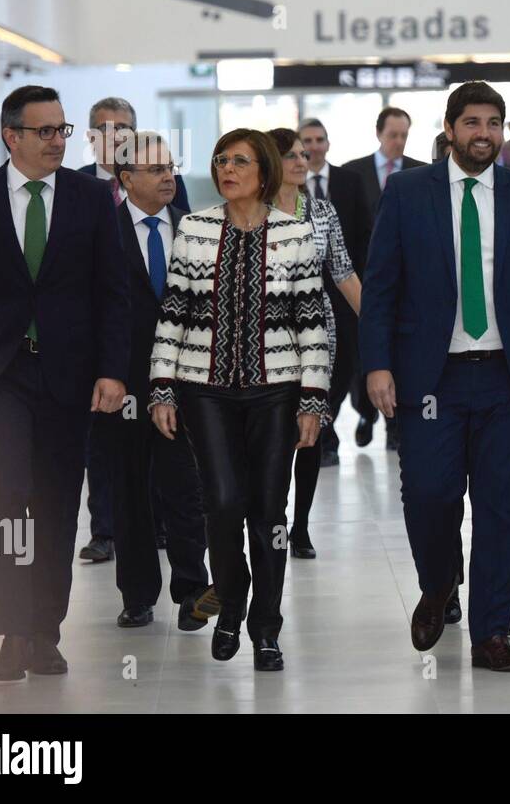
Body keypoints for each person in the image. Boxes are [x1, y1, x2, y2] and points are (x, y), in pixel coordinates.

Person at [359, 81, 510, 672]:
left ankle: (493, 631)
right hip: (431, 379)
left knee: (501, 506)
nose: (484, 134)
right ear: (450, 128)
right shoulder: (407, 192)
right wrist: (377, 364)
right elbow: (380, 287)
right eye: (472, 122)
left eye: (494, 123)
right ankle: (437, 584)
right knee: (429, 494)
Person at [0, 85, 130, 681]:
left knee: (54, 502)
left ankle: (45, 630)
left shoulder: (92, 198)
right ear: (10, 135)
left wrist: (114, 370)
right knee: (2, 497)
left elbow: (113, 291)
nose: (57, 142)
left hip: (68, 373)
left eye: (63, 130)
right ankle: (11, 632)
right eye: (45, 131)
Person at [148, 129, 330, 671]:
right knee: (224, 503)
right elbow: (173, 313)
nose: (228, 169)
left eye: (240, 161)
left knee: (269, 512)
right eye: (221, 160)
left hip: (277, 391)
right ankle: (231, 600)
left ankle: (266, 627)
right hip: (204, 392)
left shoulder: (296, 233)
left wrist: (313, 400)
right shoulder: (194, 229)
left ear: (264, 170)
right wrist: (161, 386)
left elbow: (311, 323)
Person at [105, 131, 217, 630]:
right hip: (123, 383)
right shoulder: (102, 231)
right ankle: (137, 594)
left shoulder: (194, 229)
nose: (168, 176)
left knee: (187, 487)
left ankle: (193, 590)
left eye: (170, 167)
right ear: (126, 178)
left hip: (185, 379)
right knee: (129, 489)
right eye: (155, 170)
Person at [78, 97, 191, 564]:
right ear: (92, 136)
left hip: (177, 361)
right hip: (118, 358)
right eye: (106, 128)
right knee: (112, 458)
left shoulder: (175, 203)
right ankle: (107, 531)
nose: (116, 134)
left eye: (124, 126)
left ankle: (178, 554)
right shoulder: (81, 188)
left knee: (178, 466)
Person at [268, 127, 362, 559]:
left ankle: (300, 527)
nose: (301, 161)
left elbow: (342, 272)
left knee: (311, 429)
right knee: (269, 435)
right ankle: (272, 521)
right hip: (264, 336)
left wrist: (375, 325)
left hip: (316, 334)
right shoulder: (251, 211)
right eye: (290, 155)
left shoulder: (322, 212)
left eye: (303, 154)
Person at [340, 109, 423, 451]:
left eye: (404, 135)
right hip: (363, 277)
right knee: (365, 352)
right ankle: (365, 412)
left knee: (400, 351)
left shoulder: (421, 172)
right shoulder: (352, 174)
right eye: (393, 135)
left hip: (410, 279)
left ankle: (394, 425)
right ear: (378, 134)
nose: (399, 142)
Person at [293, 118, 371, 467]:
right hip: (295, 306)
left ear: (328, 143)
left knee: (342, 367)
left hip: (341, 295)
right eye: (304, 142)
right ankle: (321, 433)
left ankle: (327, 420)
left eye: (318, 139)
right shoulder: (276, 199)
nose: (312, 147)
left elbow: (360, 239)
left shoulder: (348, 183)